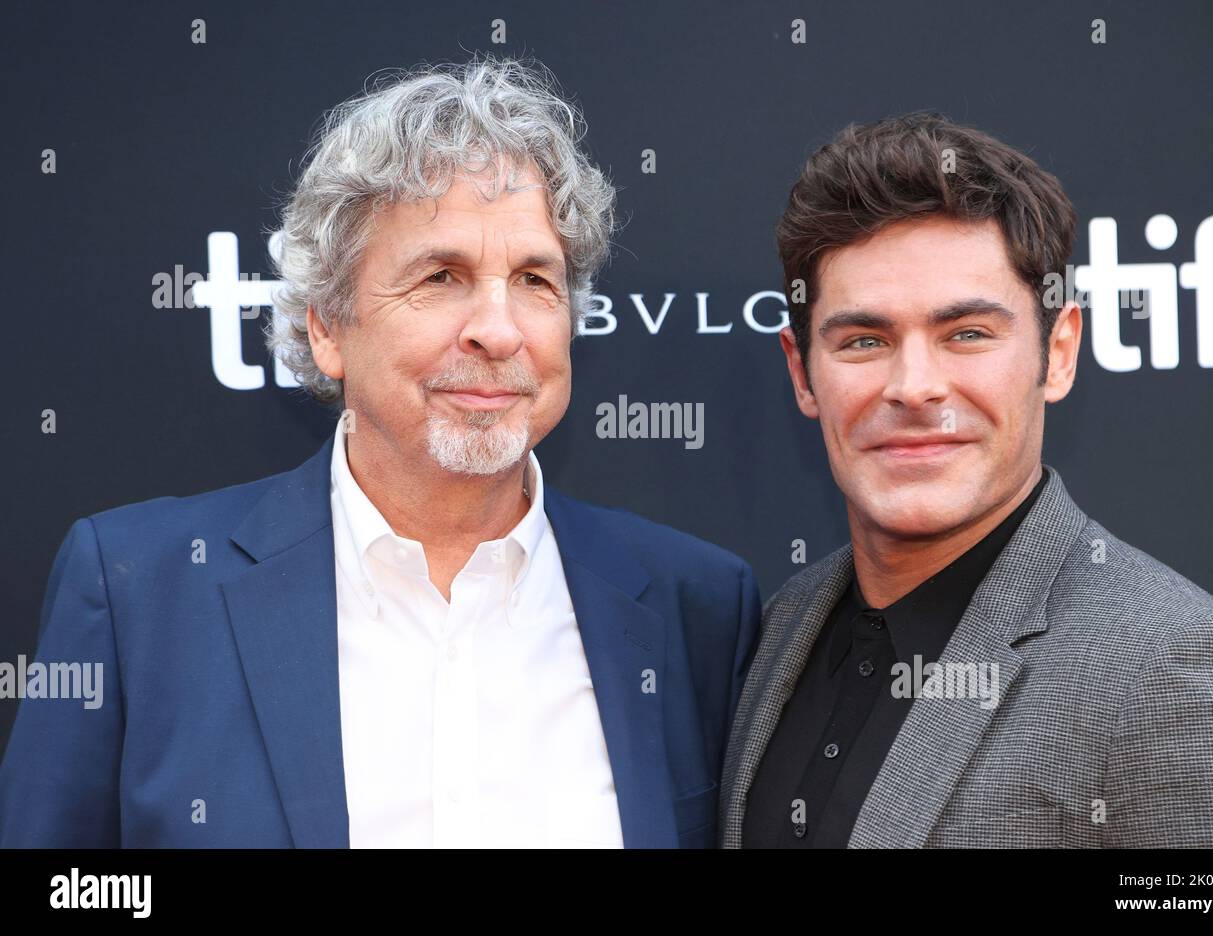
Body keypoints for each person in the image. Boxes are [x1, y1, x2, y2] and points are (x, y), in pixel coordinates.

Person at [0, 57, 759, 849]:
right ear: (327, 328)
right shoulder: (139, 593)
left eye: (535, 280)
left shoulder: (694, 608)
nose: (498, 331)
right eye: (440, 276)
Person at [721, 112, 1213, 848]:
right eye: (865, 340)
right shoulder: (779, 630)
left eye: (967, 334)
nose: (915, 386)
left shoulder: (1180, 677)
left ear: (1058, 354)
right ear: (803, 374)